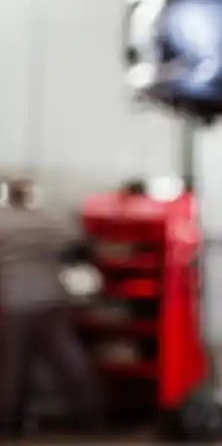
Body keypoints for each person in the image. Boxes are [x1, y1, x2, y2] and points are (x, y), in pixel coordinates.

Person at [0, 178, 106, 438]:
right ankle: (92, 417)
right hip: (50, 298)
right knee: (69, 361)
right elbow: (81, 246)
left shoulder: (2, 221)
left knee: (12, 368)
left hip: (14, 301)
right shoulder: (50, 220)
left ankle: (8, 424)